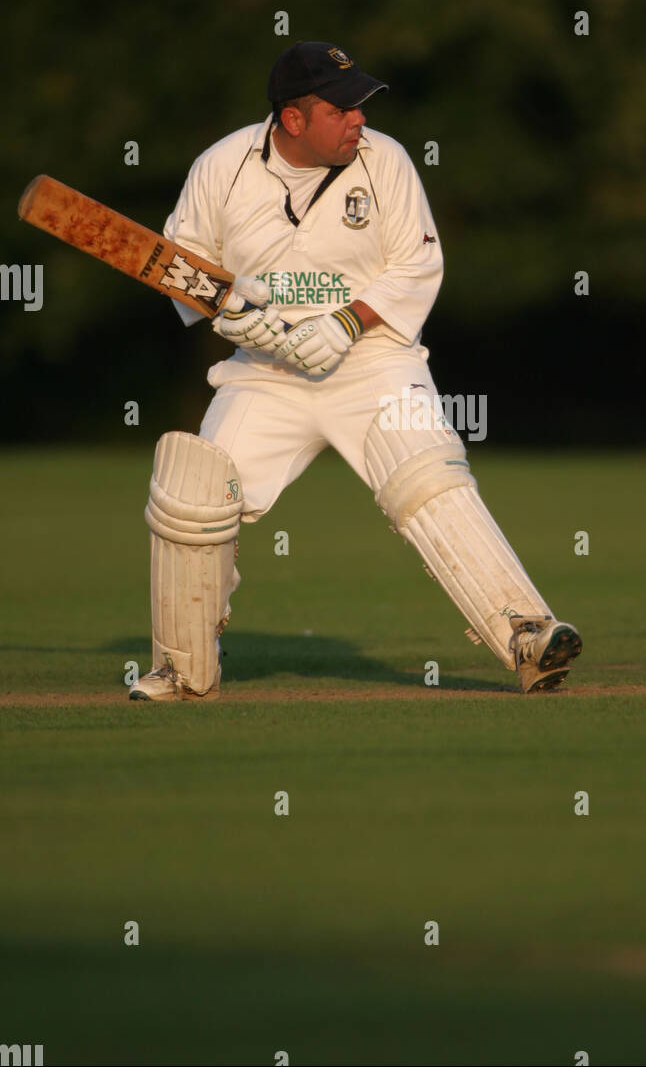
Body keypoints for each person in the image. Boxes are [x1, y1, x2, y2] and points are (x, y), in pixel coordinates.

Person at [130, 41, 582, 701]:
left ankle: (528, 637)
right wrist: (229, 317)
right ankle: (184, 667)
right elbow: (183, 265)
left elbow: (417, 265)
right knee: (194, 493)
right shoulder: (221, 167)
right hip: (265, 370)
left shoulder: (385, 162)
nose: (358, 120)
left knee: (427, 474)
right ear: (291, 119)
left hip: (373, 359)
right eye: (341, 109)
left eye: (360, 106)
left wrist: (344, 323)